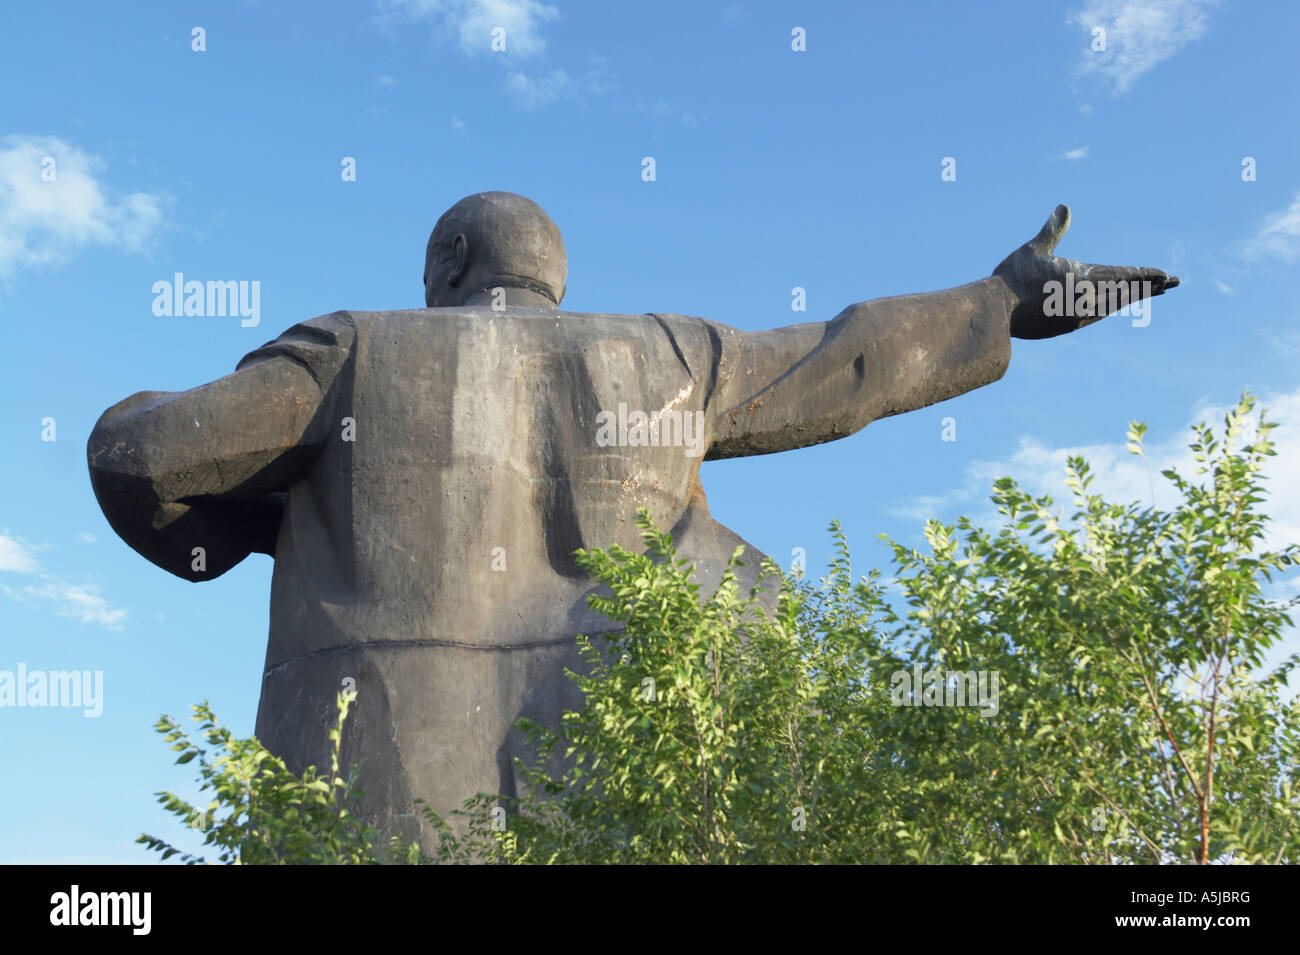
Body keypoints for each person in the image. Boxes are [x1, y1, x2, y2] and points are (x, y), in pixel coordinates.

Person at [87, 191, 1177, 850]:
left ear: (449, 267)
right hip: (626, 780)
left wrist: (258, 528)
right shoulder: (666, 354)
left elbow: (143, 456)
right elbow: (848, 364)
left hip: (372, 783)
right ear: (555, 280)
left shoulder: (354, 349)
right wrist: (1003, 302)